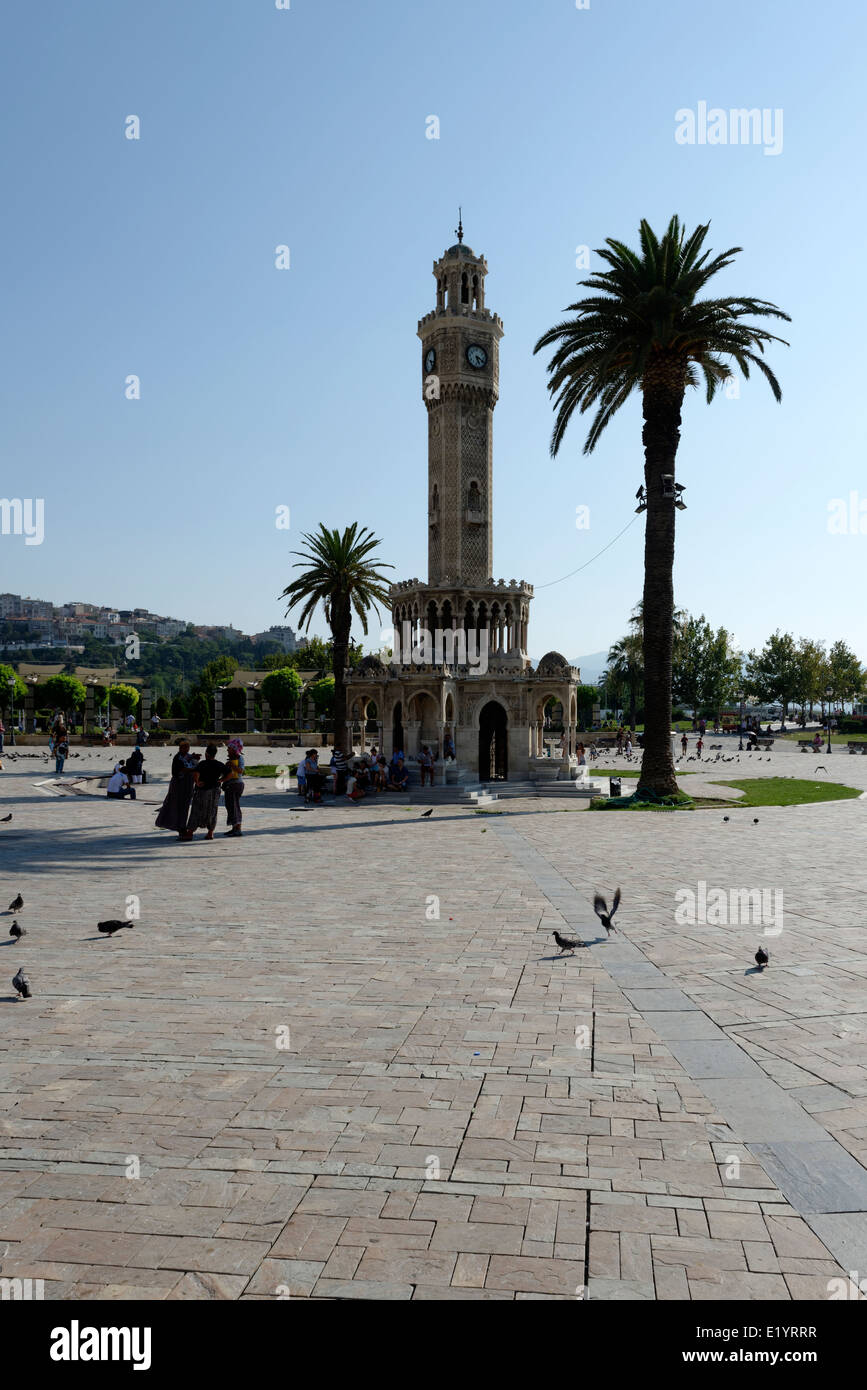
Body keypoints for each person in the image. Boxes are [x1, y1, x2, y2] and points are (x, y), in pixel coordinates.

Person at [182, 744, 225, 840]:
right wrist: (221, 780)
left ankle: (190, 833)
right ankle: (210, 833)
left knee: (197, 810)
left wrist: (197, 782)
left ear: (206, 753)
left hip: (203, 790)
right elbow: (229, 773)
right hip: (215, 791)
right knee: (213, 811)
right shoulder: (219, 764)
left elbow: (196, 773)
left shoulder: (203, 763)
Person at [155, 740, 197, 837]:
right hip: (179, 785)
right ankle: (180, 827)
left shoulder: (187, 756)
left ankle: (182, 827)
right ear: (180, 748)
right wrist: (195, 769)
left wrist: (194, 758)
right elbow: (183, 769)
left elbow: (189, 760)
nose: (187, 750)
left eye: (188, 748)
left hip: (187, 785)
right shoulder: (178, 758)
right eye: (185, 748)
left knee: (185, 806)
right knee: (177, 806)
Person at [221, 738, 246, 834]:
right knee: (230, 806)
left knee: (234, 806)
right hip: (229, 785)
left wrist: (232, 766)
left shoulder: (240, 758)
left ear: (234, 749)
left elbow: (241, 771)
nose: (227, 750)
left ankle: (238, 828)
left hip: (236, 785)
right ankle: (234, 827)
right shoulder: (230, 759)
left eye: (229, 748)